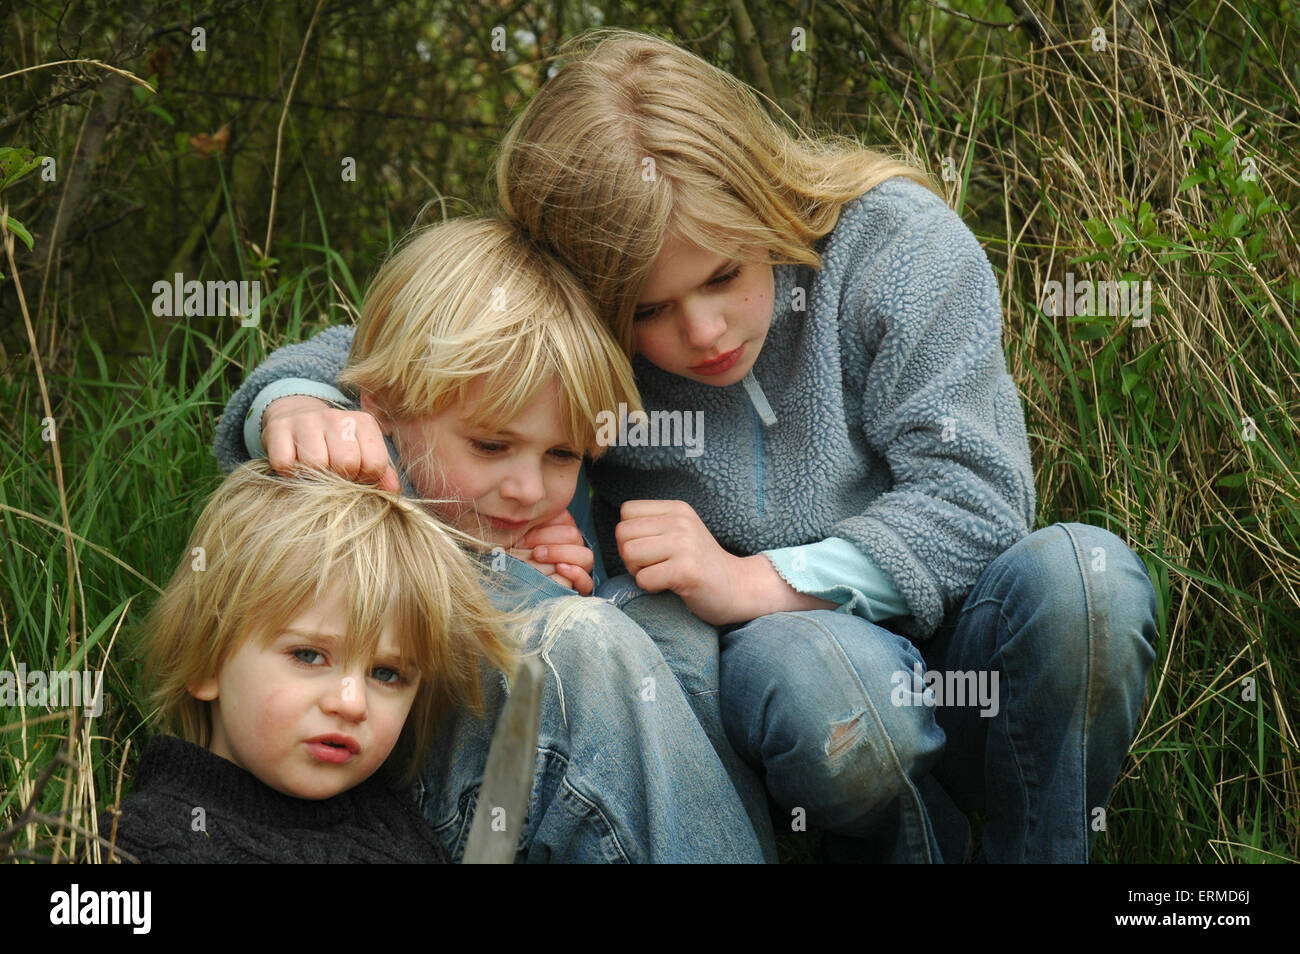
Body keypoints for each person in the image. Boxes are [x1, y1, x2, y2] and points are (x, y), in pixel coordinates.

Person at [212, 216, 774, 862]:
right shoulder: (352, 484)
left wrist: (531, 583)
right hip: (399, 807)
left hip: (510, 783)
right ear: (384, 406)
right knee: (586, 644)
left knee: (665, 625)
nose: (527, 489)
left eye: (562, 455)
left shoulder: (524, 499)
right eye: (491, 445)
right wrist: (519, 593)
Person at [100, 460, 515, 863]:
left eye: (386, 674)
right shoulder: (145, 841)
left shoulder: (398, 825)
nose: (351, 704)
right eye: (309, 656)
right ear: (207, 662)